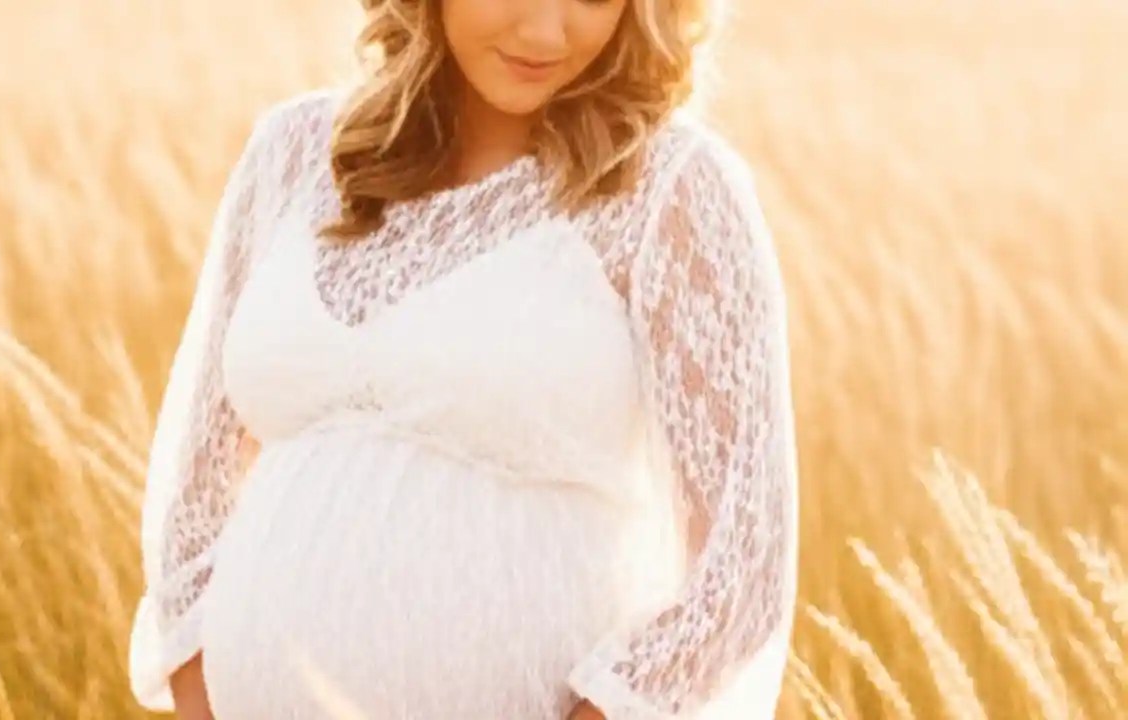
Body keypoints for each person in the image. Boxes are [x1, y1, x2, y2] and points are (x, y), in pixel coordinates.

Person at [127, 0, 799, 717]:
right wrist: (204, 701)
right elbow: (192, 494)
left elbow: (744, 561)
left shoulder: (670, 188)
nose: (546, 32)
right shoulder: (292, 154)